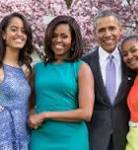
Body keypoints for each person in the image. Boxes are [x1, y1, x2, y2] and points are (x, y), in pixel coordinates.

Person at [28, 15, 94, 150]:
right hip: (41, 138)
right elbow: (30, 103)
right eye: (54, 35)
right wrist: (31, 115)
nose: (58, 40)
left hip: (72, 139)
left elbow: (86, 113)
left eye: (64, 36)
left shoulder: (82, 68)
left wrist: (46, 114)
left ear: (73, 40)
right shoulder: (37, 69)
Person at [82, 10, 135, 150]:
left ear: (120, 30)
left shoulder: (131, 62)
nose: (107, 34)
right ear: (94, 34)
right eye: (101, 30)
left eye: (112, 28)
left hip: (126, 136)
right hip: (94, 137)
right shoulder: (84, 63)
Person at [0, 12, 33, 149]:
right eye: (14, 29)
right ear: (3, 34)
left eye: (23, 31)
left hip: (25, 136)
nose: (19, 34)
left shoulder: (26, 70)